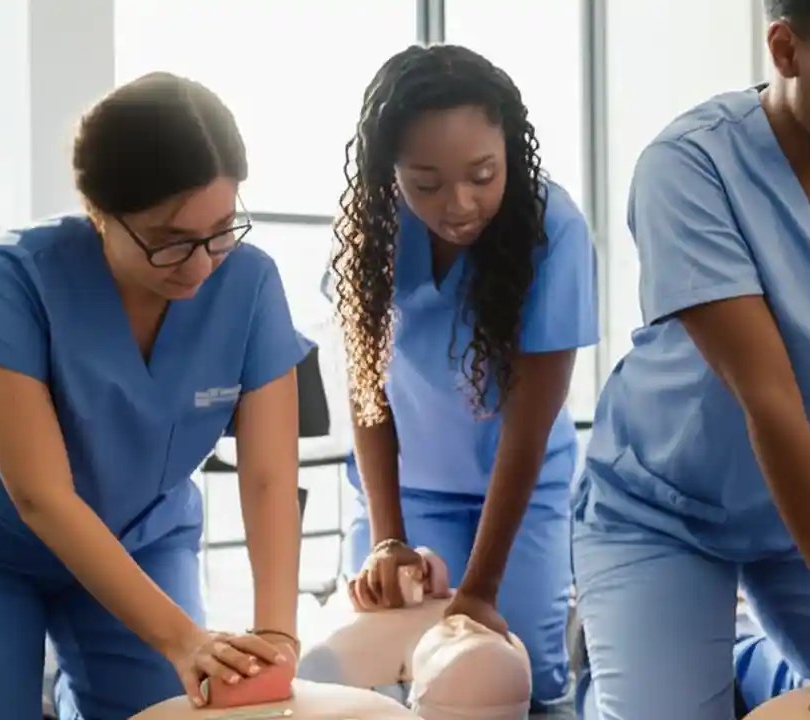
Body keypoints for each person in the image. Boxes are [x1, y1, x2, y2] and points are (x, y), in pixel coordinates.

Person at [571, 1, 810, 718]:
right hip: (663, 512)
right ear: (785, 50)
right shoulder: (689, 166)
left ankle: (744, 667)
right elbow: (769, 396)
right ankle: (631, 672)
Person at [0, 72, 313, 718]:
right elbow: (40, 497)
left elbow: (270, 476)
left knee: (172, 706)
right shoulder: (11, 284)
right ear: (99, 213)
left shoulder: (248, 284)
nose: (200, 264)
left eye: (220, 229)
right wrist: (181, 638)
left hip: (144, 540)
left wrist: (277, 634)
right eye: (168, 241)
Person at [328, 44, 598, 713]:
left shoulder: (552, 231)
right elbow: (370, 396)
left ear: (510, 148)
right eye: (426, 182)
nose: (459, 204)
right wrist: (388, 537)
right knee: (384, 666)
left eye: (483, 174)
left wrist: (481, 586)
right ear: (390, 171)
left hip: (519, 491)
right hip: (408, 489)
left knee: (515, 674)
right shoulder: (372, 233)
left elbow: (530, 426)